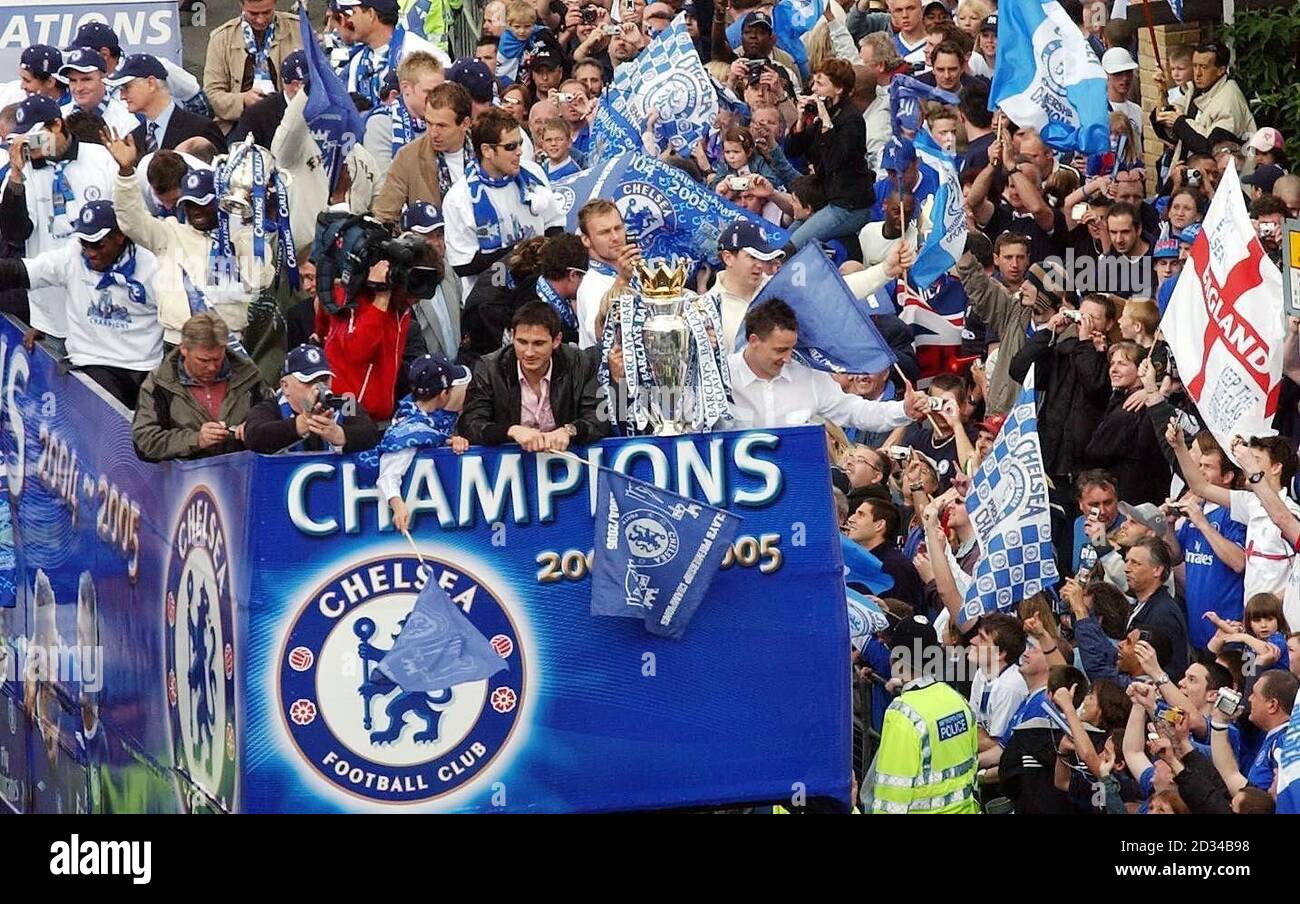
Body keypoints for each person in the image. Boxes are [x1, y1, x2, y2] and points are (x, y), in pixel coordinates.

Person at [106, 134, 275, 349]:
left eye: (204, 203)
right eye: (190, 203)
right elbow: (130, 219)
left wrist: (254, 221)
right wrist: (125, 172)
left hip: (227, 343)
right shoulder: (168, 233)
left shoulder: (241, 236)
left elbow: (259, 281)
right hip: (178, 340)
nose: (197, 211)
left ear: (219, 202)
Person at [0, 200, 163, 408]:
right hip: (92, 364)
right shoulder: (73, 255)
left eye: (98, 244)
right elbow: (19, 271)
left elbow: (180, 320)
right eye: (84, 243)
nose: (90, 252)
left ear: (120, 236)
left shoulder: (152, 264)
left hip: (145, 368)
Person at [1, 95, 118, 355]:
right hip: (50, 311)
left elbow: (125, 226)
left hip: (102, 305)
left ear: (56, 125)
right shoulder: (24, 172)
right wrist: (16, 176)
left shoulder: (101, 159)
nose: (28, 147)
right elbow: (15, 234)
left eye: (34, 138)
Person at [729, 298, 929, 430]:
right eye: (780, 350)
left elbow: (856, 412)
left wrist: (903, 410)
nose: (788, 358)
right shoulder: (720, 376)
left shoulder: (808, 375)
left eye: (791, 348)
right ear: (754, 340)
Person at [866, 613, 980, 813]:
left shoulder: (903, 713)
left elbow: (891, 796)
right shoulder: (959, 702)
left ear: (895, 658)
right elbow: (972, 771)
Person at [458, 301, 610, 450]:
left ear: (556, 340)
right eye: (522, 342)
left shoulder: (580, 363)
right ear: (512, 336)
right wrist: (510, 431)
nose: (529, 352)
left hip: (566, 460)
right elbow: (470, 424)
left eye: (538, 343)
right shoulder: (488, 369)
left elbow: (600, 418)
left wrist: (570, 431)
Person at [442, 107, 565, 289]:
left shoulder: (533, 173)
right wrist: (518, 253)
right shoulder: (460, 198)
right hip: (491, 298)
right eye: (510, 147)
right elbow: (463, 264)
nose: (519, 152)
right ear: (487, 151)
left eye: (520, 143)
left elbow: (554, 224)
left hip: (538, 288)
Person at [132, 312, 269, 461]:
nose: (211, 367)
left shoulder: (250, 377)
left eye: (217, 359)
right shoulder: (159, 383)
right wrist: (196, 440)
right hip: (185, 480)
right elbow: (144, 441)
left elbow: (275, 421)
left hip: (242, 474)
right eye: (203, 360)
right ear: (184, 349)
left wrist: (256, 428)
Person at [376, 354, 473, 532]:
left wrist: (451, 441)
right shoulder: (408, 430)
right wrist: (398, 505)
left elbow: (438, 437)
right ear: (445, 393)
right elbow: (388, 474)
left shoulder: (432, 422)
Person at [784, 59, 874, 248]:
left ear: (838, 89)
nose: (814, 89)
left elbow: (836, 161)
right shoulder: (823, 115)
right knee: (784, 239)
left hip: (849, 206)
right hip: (826, 200)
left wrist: (826, 123)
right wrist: (800, 121)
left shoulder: (851, 120)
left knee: (793, 246)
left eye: (820, 84)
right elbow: (792, 151)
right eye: (813, 82)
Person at [242, 344, 382, 454]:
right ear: (285, 386)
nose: (318, 387)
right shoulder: (269, 408)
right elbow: (255, 437)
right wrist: (301, 424)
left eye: (324, 380)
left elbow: (370, 433)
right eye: (309, 381)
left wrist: (341, 435)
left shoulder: (345, 403)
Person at [374, 81, 473, 223]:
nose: (433, 133)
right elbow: (384, 214)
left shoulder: (486, 151)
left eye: (441, 126)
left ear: (465, 124)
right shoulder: (408, 157)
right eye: (429, 123)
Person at [204, 0, 304, 132]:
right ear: (241, 5)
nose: (261, 20)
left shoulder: (299, 28)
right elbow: (211, 95)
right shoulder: (221, 38)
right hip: (239, 121)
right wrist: (243, 100)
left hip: (291, 116)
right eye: (253, 13)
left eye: (267, 12)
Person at [1151, 41, 1256, 160]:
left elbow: (1212, 150)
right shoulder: (1197, 90)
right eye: (1195, 66)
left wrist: (1179, 123)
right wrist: (1162, 92)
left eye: (1204, 67)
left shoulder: (1229, 101)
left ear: (1221, 70)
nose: (1197, 73)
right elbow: (1166, 120)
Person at [340, 0, 451, 107]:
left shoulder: (422, 53)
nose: (350, 20)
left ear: (371, 14)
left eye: (354, 12)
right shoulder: (357, 61)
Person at [109, 54, 227, 154]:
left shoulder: (200, 128)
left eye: (126, 87)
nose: (122, 96)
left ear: (151, 83)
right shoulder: (133, 138)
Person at [1209, 668, 1298, 793]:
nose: (1249, 699)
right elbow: (1232, 776)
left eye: (1254, 694)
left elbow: (1258, 800)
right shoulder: (1275, 737)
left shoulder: (1284, 744)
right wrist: (1219, 721)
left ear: (1272, 705)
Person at [1122, 537, 1190, 680]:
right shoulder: (1143, 605)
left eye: (1135, 563)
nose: (1126, 568)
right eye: (1127, 561)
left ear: (1157, 570)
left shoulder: (1163, 614)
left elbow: (1172, 670)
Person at [575, 199, 640, 349]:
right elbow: (600, 333)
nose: (615, 237)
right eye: (604, 233)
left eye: (618, 228)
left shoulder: (631, 271)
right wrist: (622, 281)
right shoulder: (592, 285)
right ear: (586, 240)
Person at [844, 497, 924, 609]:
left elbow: (907, 613)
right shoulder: (852, 559)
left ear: (879, 525)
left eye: (861, 515)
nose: (851, 519)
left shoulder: (897, 566)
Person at [58, 48, 145, 147]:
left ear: (103, 79)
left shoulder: (128, 121)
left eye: (86, 79)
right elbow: (38, 148)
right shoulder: (58, 115)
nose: (78, 88)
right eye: (72, 80)